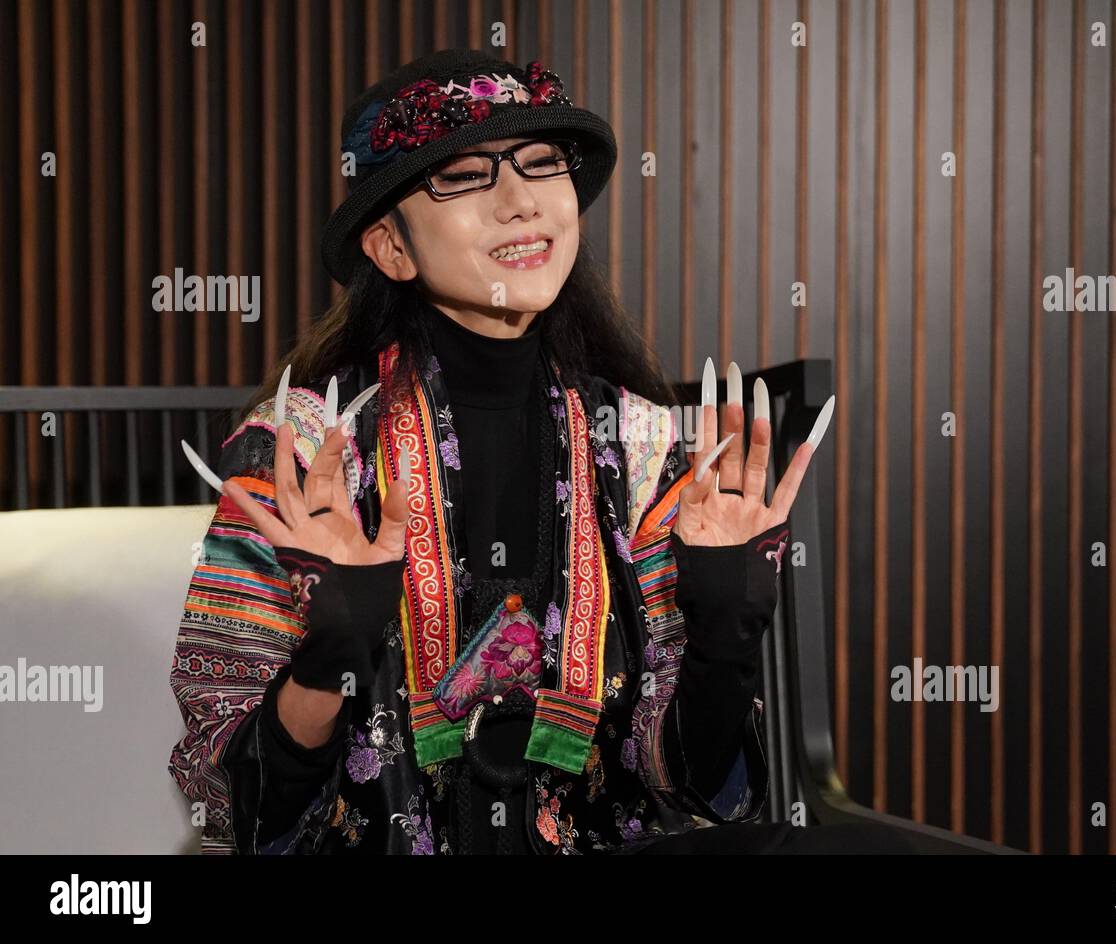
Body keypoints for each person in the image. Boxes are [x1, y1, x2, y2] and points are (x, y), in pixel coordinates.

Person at [167, 48, 849, 855]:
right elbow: (233, 807)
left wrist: (726, 638)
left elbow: (687, 783)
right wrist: (327, 657)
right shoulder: (304, 456)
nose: (521, 202)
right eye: (462, 175)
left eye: (539, 163)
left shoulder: (645, 448)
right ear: (391, 249)